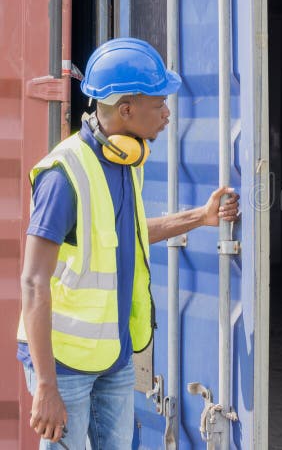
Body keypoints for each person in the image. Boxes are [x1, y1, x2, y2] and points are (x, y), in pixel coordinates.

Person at [17, 37, 241, 448]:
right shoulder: (62, 176)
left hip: (115, 358)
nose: (167, 114)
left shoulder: (126, 162)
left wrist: (201, 218)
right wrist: (45, 385)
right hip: (64, 366)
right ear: (126, 110)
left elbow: (130, 233)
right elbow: (33, 282)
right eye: (159, 105)